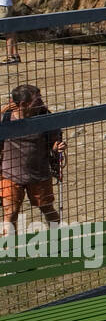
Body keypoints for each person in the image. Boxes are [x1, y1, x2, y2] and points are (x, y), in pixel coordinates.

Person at [0, 84, 63, 233]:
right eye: (37, 101)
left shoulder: (45, 118)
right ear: (23, 104)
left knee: (47, 209)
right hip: (10, 175)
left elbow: (54, 140)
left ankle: (59, 238)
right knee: (10, 213)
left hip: (39, 174)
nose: (41, 103)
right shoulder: (4, 119)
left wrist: (57, 146)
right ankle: (10, 249)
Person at [0, 0, 16, 65]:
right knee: (11, 31)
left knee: (8, 31)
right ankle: (15, 55)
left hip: (4, 5)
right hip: (2, 5)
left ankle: (11, 56)